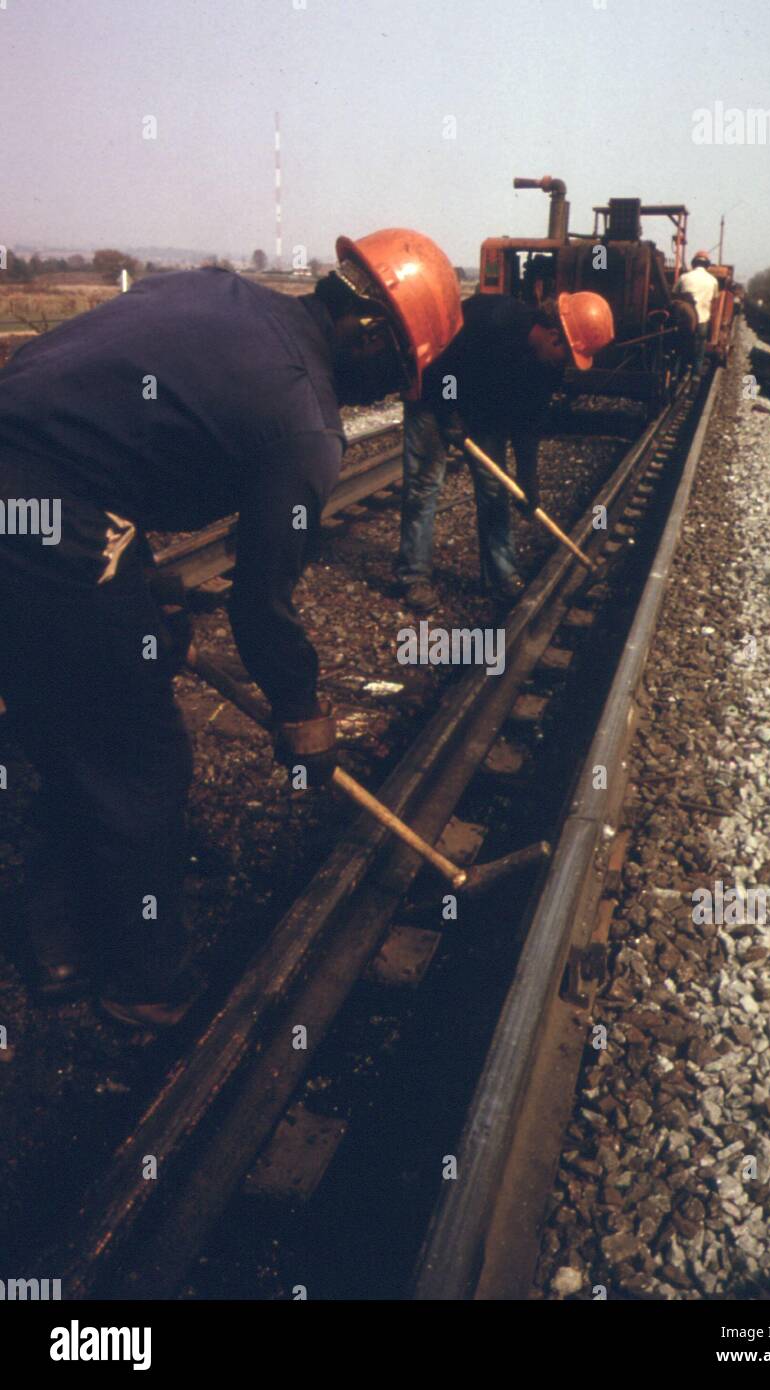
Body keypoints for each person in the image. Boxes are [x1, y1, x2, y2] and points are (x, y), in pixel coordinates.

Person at [0, 229, 462, 1026]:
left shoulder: (214, 292)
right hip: (47, 519)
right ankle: (144, 985)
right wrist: (299, 708)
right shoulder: (305, 422)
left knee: (65, 722)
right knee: (140, 758)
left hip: (30, 483)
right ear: (368, 333)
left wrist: (140, 585)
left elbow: (98, 432)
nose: (384, 389)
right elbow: (261, 600)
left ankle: (59, 948)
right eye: (398, 369)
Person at [396, 290, 614, 611]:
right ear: (554, 336)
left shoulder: (547, 366)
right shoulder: (492, 318)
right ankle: (413, 576)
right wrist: (449, 412)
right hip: (432, 390)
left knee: (494, 488)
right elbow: (440, 359)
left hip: (483, 410)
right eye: (566, 355)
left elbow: (528, 422)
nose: (564, 364)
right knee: (424, 486)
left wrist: (528, 480)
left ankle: (500, 575)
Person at [675, 250, 720, 381]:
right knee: (700, 350)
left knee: (680, 348)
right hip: (702, 320)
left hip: (685, 320)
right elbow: (715, 299)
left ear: (694, 263)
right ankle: (695, 376)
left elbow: (674, 293)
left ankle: (677, 374)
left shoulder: (684, 277)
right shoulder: (713, 281)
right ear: (707, 265)